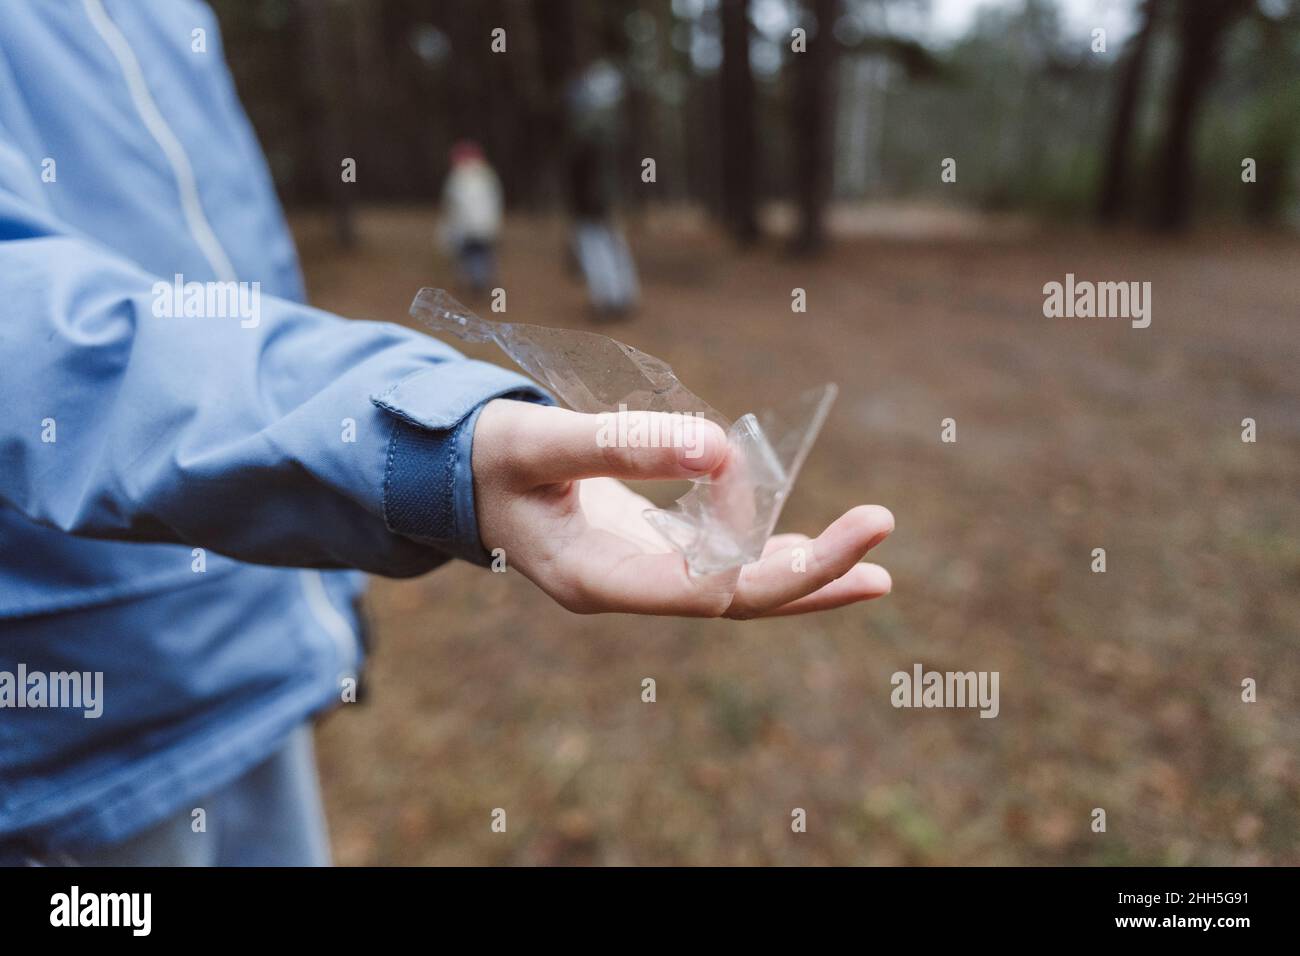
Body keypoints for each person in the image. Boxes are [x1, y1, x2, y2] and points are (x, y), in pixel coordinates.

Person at [0, 0, 894, 866]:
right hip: (74, 744)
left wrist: (324, 594)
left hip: (256, 656)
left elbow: (231, 288)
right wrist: (428, 441)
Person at [440, 140, 503, 295]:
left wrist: (450, 230)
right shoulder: (487, 175)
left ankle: (477, 283)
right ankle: (479, 282)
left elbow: (454, 207)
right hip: (484, 226)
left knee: (471, 256)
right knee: (480, 255)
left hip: (468, 228)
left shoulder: (458, 178)